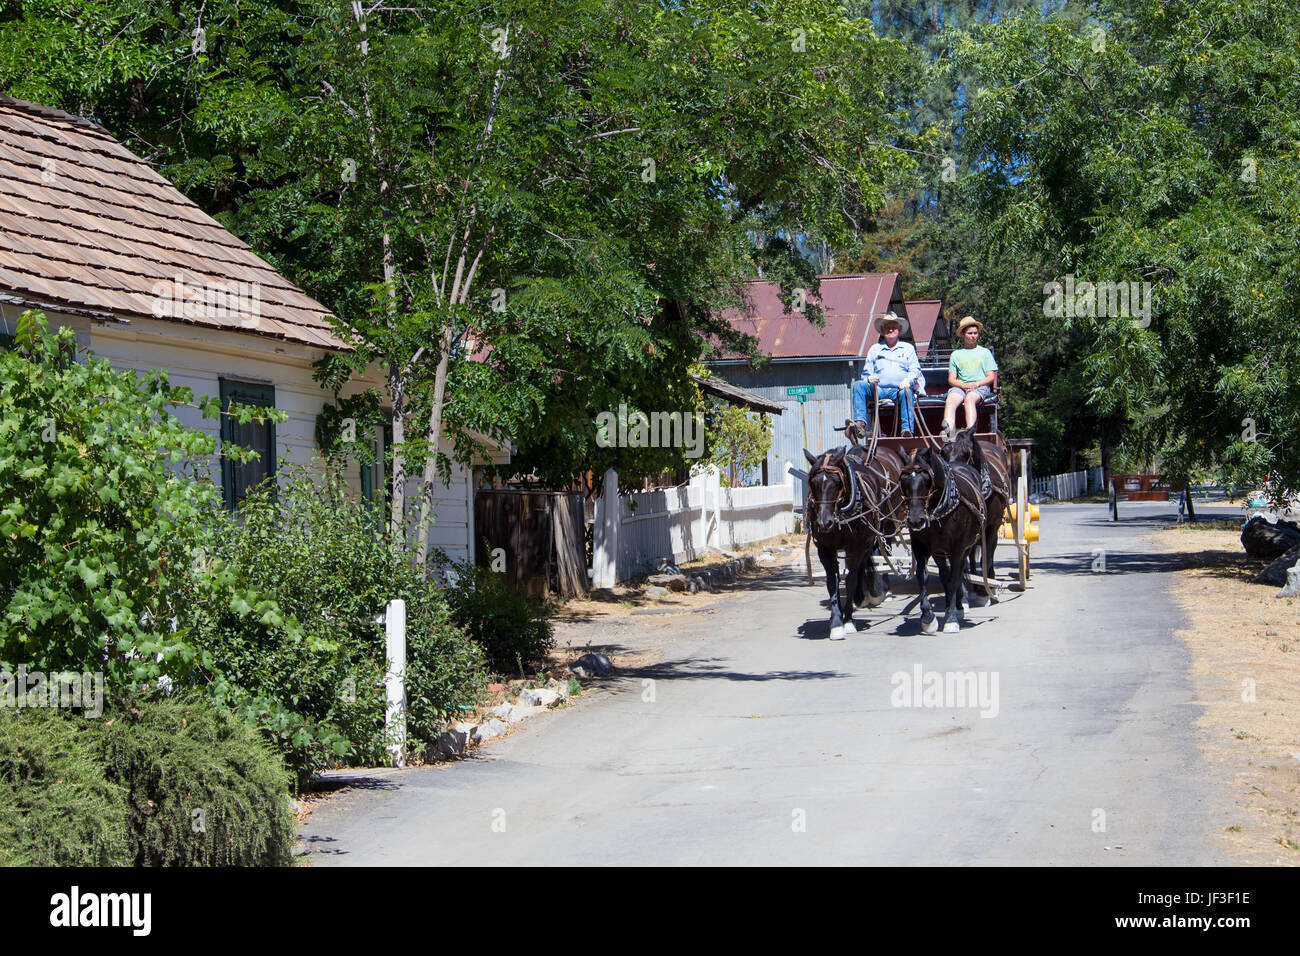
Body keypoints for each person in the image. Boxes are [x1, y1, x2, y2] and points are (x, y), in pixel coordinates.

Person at [852, 312, 922, 438]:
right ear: (882, 330)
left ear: (899, 330)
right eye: (887, 327)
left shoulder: (908, 348)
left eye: (894, 327)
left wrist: (908, 380)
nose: (890, 330)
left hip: (900, 389)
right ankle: (860, 423)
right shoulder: (874, 349)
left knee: (906, 392)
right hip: (879, 389)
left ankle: (906, 430)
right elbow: (866, 374)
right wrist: (869, 379)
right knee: (858, 385)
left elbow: (915, 370)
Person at [943, 315, 998, 438]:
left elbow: (991, 377)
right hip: (961, 386)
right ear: (963, 334)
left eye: (975, 333)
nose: (973, 336)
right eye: (970, 333)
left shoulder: (985, 352)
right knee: (950, 401)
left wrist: (976, 384)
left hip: (980, 386)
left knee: (969, 399)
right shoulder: (956, 354)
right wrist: (963, 385)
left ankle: (970, 433)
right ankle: (948, 435)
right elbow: (951, 379)